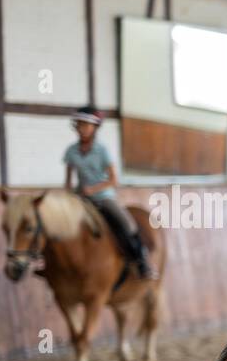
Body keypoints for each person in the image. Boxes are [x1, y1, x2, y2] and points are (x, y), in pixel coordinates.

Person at [63, 106, 157, 279]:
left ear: (94, 128)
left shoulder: (102, 151)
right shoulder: (71, 151)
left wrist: (93, 189)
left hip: (103, 198)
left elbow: (114, 180)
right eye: (79, 124)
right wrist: (67, 196)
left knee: (126, 223)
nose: (81, 128)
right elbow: (68, 181)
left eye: (85, 125)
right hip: (80, 198)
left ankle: (142, 261)